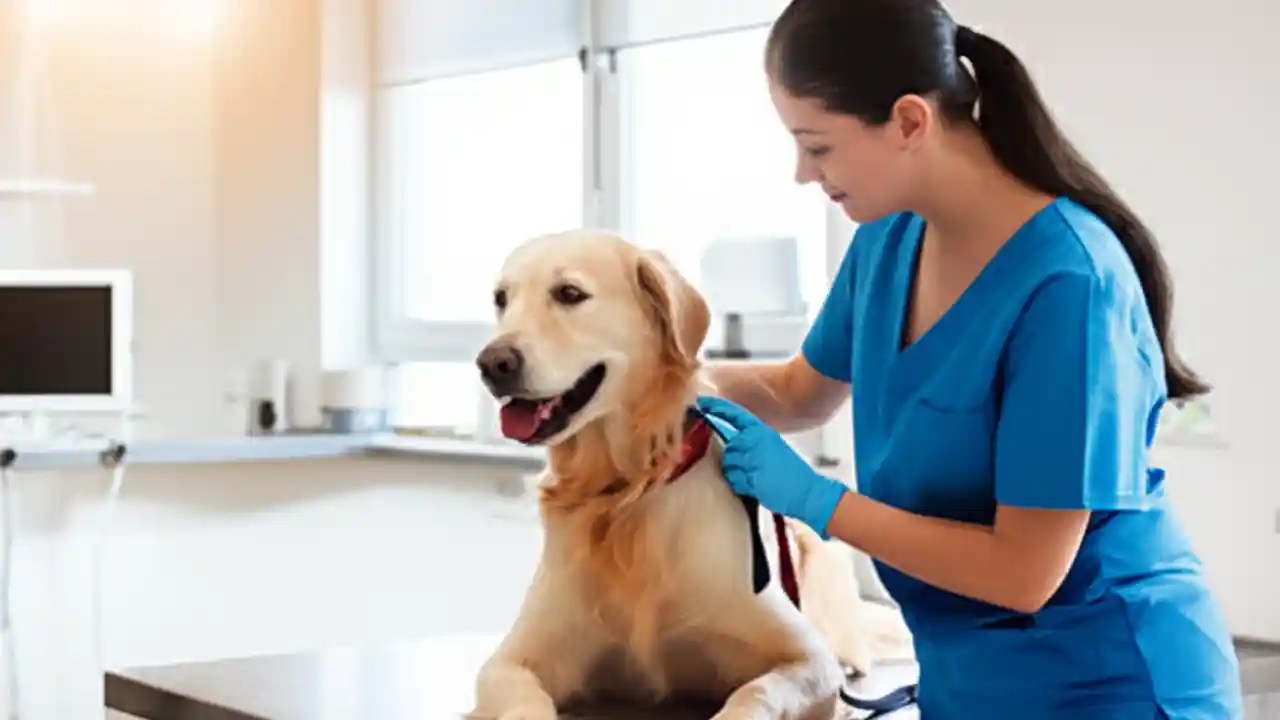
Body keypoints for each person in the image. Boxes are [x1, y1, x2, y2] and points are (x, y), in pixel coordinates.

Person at [696, 0, 1244, 717]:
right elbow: (801, 390)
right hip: (971, 680)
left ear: (909, 121)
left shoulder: (1069, 284)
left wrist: (816, 501)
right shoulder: (889, 236)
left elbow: (1025, 572)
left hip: (1109, 681)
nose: (803, 172)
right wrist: (651, 382)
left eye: (818, 145)